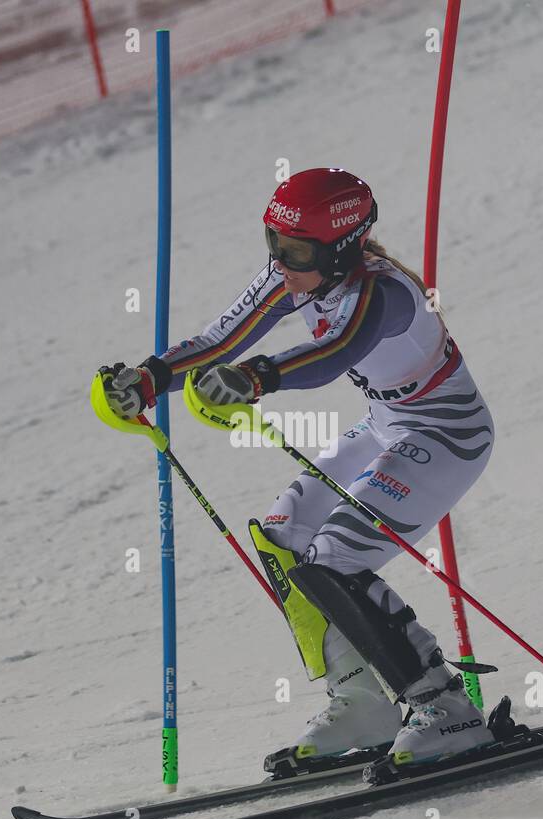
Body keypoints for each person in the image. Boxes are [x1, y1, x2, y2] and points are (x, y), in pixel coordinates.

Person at [99, 167, 496, 768]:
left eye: (296, 249)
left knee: (338, 554)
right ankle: (362, 699)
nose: (280, 261)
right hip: (388, 422)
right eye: (273, 244)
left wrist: (256, 379)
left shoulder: (382, 292)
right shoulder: (298, 274)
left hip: (446, 434)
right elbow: (220, 339)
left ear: (340, 247)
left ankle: (446, 707)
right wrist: (150, 381)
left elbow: (333, 354)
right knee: (285, 534)